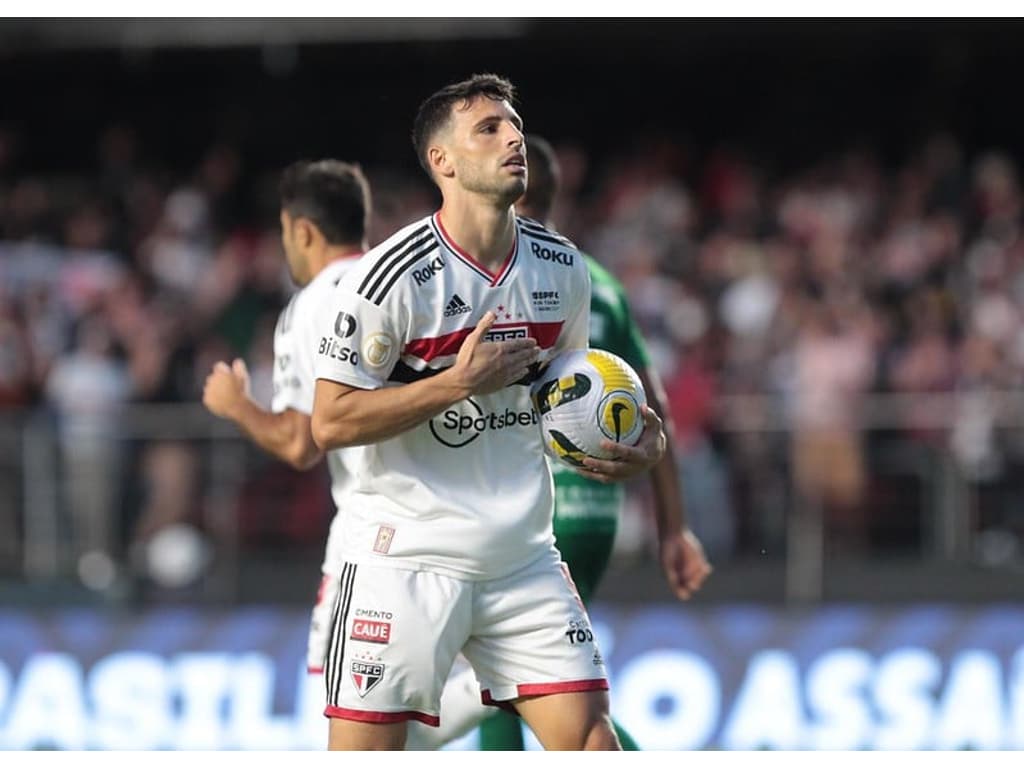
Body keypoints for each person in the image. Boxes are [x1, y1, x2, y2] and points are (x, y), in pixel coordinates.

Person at [310, 73, 667, 751]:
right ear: (442, 161)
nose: (513, 139)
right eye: (489, 128)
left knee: (592, 743)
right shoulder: (389, 278)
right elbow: (330, 422)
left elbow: (564, 401)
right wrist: (455, 383)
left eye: (515, 127)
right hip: (404, 559)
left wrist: (625, 446)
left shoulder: (561, 269)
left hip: (522, 558)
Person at [201, 158, 489, 750]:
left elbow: (300, 443)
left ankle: (500, 685)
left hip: (376, 538)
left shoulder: (310, 307)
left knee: (349, 720)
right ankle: (507, 681)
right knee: (394, 729)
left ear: (302, 231)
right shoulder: (410, 282)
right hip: (466, 518)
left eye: (285, 233)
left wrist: (237, 406)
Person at [476, 134, 713, 750]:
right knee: (526, 680)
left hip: (532, 509)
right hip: (599, 511)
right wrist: (674, 528)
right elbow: (655, 406)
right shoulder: (598, 279)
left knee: (504, 681)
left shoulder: (506, 275)